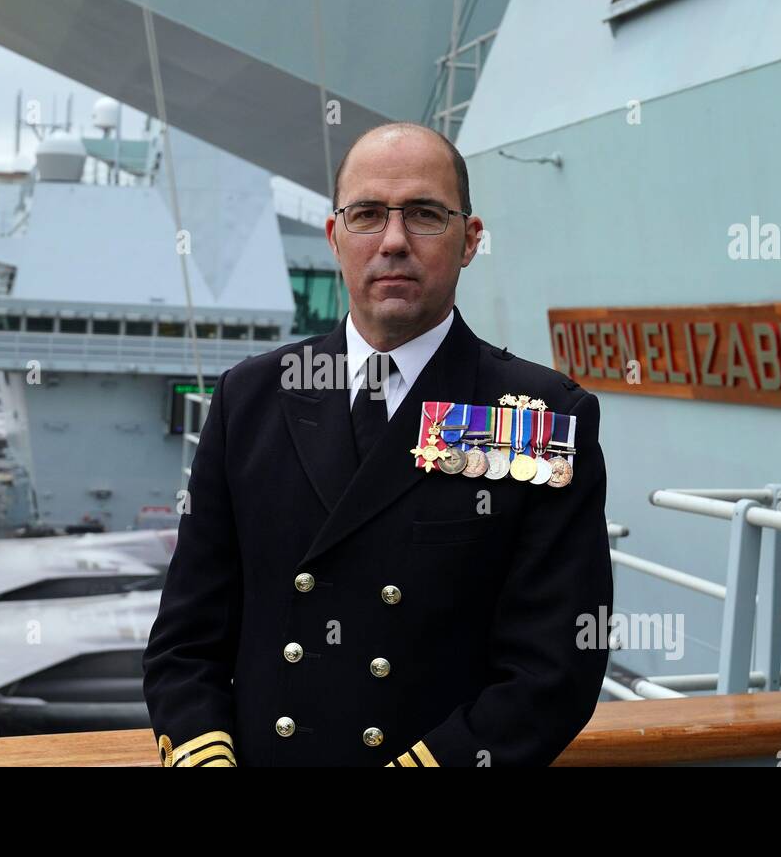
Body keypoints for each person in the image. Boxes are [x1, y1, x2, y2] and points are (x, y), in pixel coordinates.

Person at [142, 121, 612, 767]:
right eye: (367, 215)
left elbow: (553, 670)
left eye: (424, 214)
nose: (393, 242)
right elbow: (185, 646)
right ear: (336, 238)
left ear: (470, 239)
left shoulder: (542, 419)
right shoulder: (248, 403)